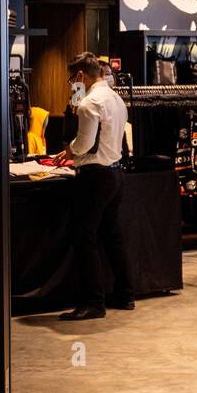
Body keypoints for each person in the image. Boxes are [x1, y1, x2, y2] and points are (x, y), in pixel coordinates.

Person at [56, 52, 133, 321]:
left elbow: (83, 144)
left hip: (94, 177)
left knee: (84, 237)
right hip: (115, 173)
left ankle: (93, 302)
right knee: (112, 235)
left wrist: (70, 152)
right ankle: (125, 294)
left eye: (73, 79)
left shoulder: (89, 103)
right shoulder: (116, 98)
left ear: (80, 75)